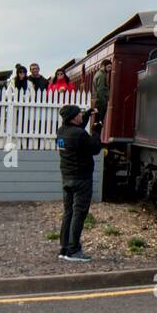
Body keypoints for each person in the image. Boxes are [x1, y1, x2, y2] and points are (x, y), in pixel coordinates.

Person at [56, 104, 102, 262]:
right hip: (81, 179)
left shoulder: (61, 132)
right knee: (79, 213)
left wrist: (88, 115)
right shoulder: (79, 135)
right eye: (79, 114)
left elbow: (77, 132)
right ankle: (74, 249)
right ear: (73, 117)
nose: (81, 115)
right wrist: (97, 130)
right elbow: (95, 148)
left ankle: (64, 248)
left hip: (66, 178)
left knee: (68, 212)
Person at [91, 58, 112, 124]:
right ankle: (96, 134)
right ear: (103, 66)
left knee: (97, 120)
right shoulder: (101, 75)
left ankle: (95, 133)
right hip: (101, 102)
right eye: (108, 67)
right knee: (99, 121)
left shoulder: (98, 74)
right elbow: (101, 90)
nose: (110, 69)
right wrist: (104, 102)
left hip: (98, 101)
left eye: (111, 67)